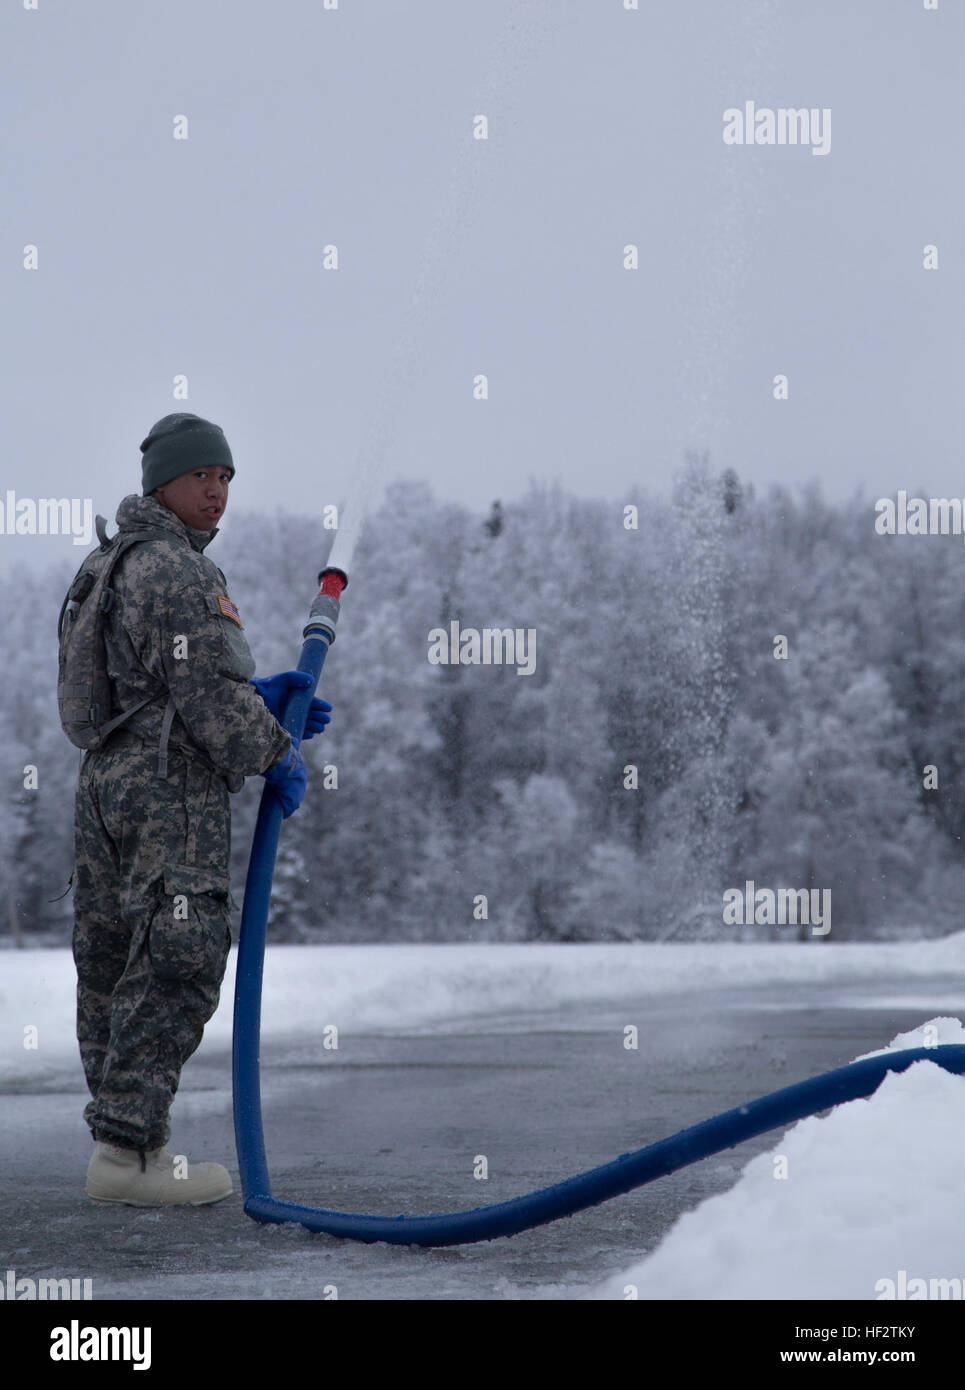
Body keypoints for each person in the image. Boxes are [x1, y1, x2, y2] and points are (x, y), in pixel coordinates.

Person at [72, 412, 331, 1206]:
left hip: (106, 786)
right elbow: (206, 697)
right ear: (163, 486)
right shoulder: (180, 572)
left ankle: (124, 1148)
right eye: (201, 478)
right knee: (180, 951)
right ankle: (128, 1156)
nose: (216, 492)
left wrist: (258, 698)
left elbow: (151, 684)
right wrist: (275, 751)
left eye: (224, 479)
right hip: (166, 787)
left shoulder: (107, 565)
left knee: (115, 957)